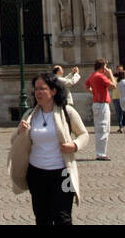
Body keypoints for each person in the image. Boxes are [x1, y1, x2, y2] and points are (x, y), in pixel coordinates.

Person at [10, 72, 89, 225]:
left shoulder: (67, 112)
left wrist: (74, 145)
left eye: (42, 89)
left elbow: (84, 135)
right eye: (36, 89)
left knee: (63, 218)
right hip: (37, 174)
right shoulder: (30, 114)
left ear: (53, 91)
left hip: (62, 173)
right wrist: (19, 131)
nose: (38, 92)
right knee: (42, 218)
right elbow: (14, 141)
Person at [83, 59, 116, 160]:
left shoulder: (93, 75)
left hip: (97, 103)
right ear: (103, 67)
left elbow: (86, 85)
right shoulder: (100, 76)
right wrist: (110, 74)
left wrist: (93, 92)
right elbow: (114, 86)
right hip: (102, 104)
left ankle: (101, 152)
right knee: (103, 128)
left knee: (100, 128)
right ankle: (101, 154)